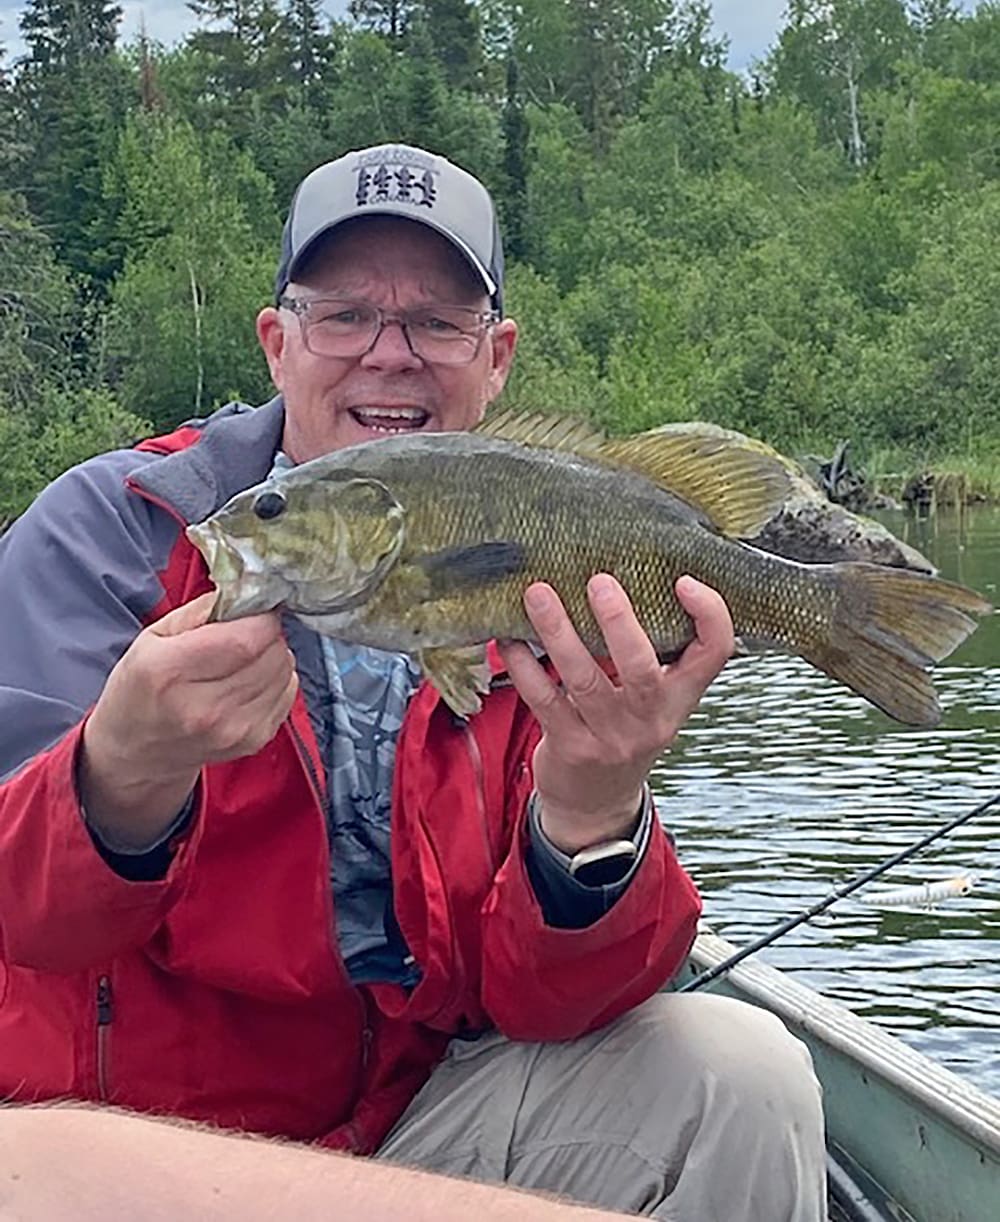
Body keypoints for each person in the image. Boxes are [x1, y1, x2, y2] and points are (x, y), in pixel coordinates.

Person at [0, 143, 826, 1220]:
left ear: (497, 359)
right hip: (125, 1159)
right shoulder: (111, 533)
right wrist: (120, 776)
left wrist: (592, 810)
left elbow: (551, 1000)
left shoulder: (522, 585)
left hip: (408, 1137)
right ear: (277, 342)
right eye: (344, 315)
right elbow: (27, 924)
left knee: (735, 1075)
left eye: (437, 322)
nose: (390, 356)